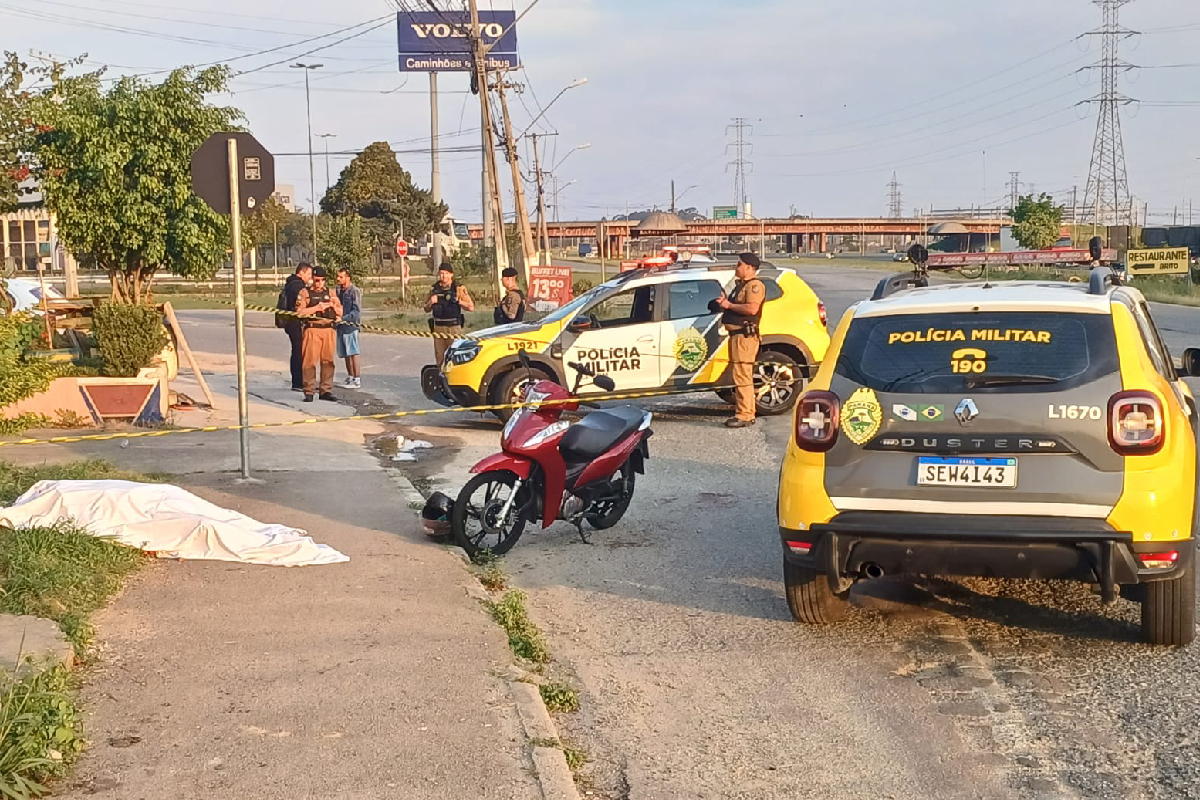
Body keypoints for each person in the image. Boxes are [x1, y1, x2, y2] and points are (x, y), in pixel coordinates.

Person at [716, 252, 766, 428]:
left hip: (745, 336)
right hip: (736, 336)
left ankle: (745, 415)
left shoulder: (754, 286)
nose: (737, 267)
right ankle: (745, 411)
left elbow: (752, 308)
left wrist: (729, 305)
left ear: (749, 267)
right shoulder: (740, 285)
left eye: (739, 264)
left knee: (743, 375)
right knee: (739, 375)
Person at [294, 265, 342, 402]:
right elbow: (299, 312)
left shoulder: (331, 293)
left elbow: (340, 312)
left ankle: (325, 390)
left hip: (328, 329)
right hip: (312, 329)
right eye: (316, 280)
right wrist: (317, 307)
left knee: (328, 361)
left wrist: (333, 306)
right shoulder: (305, 293)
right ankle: (309, 391)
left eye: (321, 280)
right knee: (309, 362)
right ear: (312, 280)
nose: (319, 283)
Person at [424, 262, 474, 365]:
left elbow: (470, 307)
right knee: (440, 357)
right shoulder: (435, 289)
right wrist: (431, 302)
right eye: (442, 273)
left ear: (451, 274)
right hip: (438, 327)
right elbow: (426, 308)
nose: (444, 276)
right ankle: (441, 378)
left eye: (446, 273)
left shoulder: (458, 288)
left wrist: (457, 301)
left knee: (455, 356)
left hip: (453, 327)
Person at [278, 262, 312, 392]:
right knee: (299, 352)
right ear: (301, 272)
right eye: (308, 273)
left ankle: (298, 380)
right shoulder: (298, 286)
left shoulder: (290, 283)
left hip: (291, 322)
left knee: (297, 351)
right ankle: (298, 382)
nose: (310, 277)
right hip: (296, 323)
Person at [336, 268, 363, 389]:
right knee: (346, 353)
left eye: (341, 277)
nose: (338, 279)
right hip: (341, 326)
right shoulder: (338, 291)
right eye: (338, 277)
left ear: (348, 278)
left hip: (351, 326)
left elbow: (356, 311)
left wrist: (344, 318)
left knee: (353, 352)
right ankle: (350, 376)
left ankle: (357, 379)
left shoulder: (354, 291)